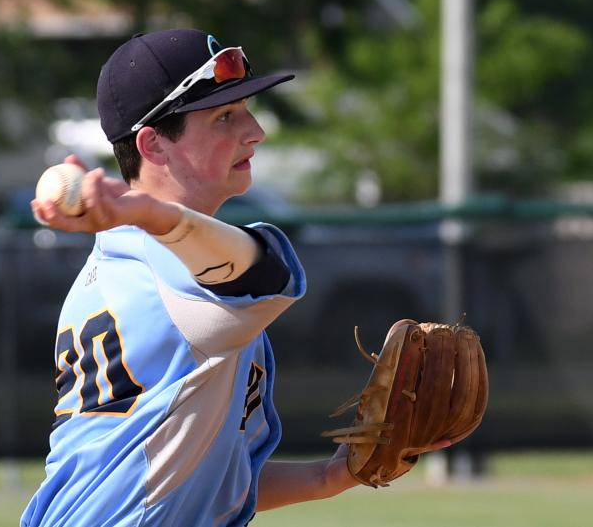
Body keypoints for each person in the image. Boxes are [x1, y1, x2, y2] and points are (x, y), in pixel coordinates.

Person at [21, 28, 357, 527]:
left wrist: (328, 478)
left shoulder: (123, 258)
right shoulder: (167, 263)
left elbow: (207, 478)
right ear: (152, 145)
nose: (255, 131)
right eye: (225, 116)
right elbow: (265, 272)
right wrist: (154, 215)